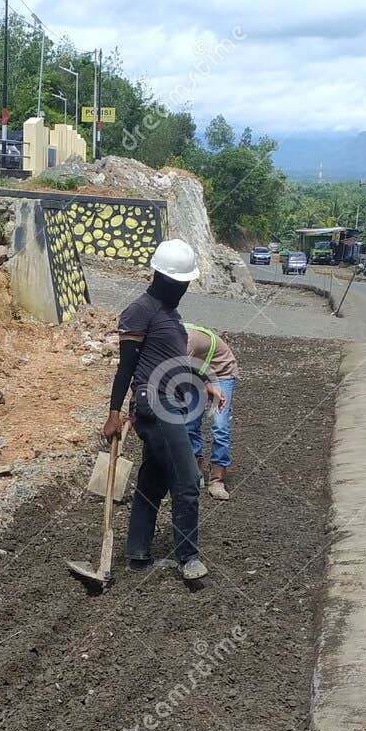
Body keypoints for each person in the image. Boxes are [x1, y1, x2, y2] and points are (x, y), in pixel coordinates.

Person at [102, 239, 224, 582]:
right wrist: (114, 412)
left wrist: (204, 380)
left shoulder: (170, 313)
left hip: (170, 401)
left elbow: (175, 360)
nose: (182, 289)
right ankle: (188, 558)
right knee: (187, 479)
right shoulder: (140, 310)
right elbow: (126, 367)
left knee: (152, 479)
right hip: (153, 403)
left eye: (185, 284)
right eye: (178, 283)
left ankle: (138, 552)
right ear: (160, 278)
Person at [184, 323, 239, 500]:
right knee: (190, 422)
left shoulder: (186, 342)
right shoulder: (168, 338)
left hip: (221, 372)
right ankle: (194, 472)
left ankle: (217, 479)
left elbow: (174, 374)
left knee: (220, 424)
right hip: (197, 372)